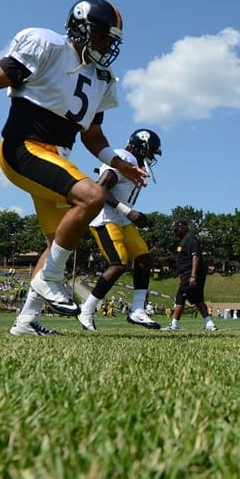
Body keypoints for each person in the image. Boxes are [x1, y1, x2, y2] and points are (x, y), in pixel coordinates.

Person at [0, 0, 148, 337]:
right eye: (104, 35)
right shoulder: (48, 45)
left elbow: (93, 136)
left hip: (55, 158)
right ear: (82, 27)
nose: (108, 45)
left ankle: (27, 320)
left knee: (58, 241)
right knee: (91, 197)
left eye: (111, 39)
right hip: (23, 148)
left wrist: (122, 164)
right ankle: (49, 278)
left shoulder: (102, 78)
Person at [76, 129, 164, 331]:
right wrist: (129, 211)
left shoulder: (132, 162)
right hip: (105, 218)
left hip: (122, 220)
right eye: (150, 152)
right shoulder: (123, 158)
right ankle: (86, 310)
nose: (150, 157)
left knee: (143, 257)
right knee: (118, 263)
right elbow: (100, 189)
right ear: (142, 146)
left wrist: (131, 214)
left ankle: (137, 311)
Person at [167, 219, 218, 332]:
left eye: (176, 229)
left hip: (191, 273)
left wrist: (193, 276)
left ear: (184, 227)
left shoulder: (190, 239)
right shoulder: (184, 240)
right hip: (187, 274)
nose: (175, 232)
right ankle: (209, 324)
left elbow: (195, 257)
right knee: (198, 300)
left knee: (180, 298)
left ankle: (174, 325)